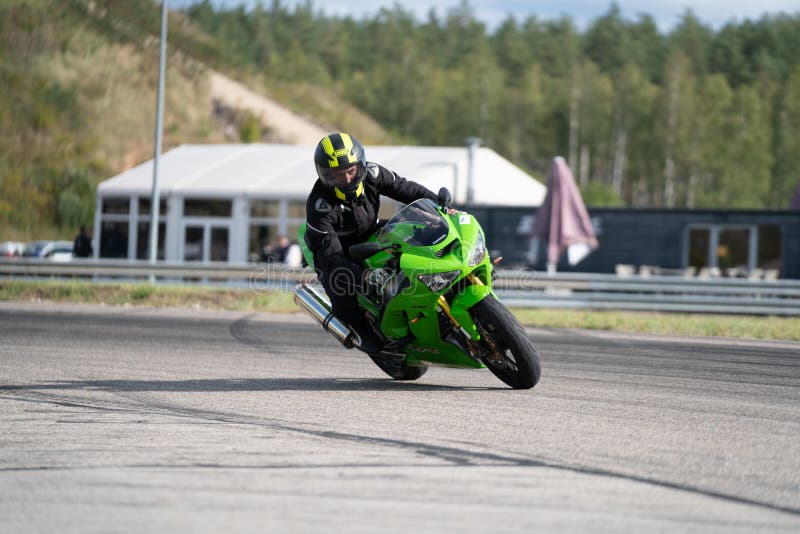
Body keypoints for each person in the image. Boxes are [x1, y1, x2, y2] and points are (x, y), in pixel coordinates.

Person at [305, 132, 442, 355]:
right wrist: (364, 276)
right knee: (340, 286)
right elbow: (331, 256)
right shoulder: (320, 205)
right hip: (338, 248)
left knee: (417, 228)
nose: (348, 179)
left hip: (370, 229)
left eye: (351, 171)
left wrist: (438, 206)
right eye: (338, 176)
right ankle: (362, 333)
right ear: (324, 175)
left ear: (360, 165)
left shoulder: (373, 174)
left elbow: (407, 189)